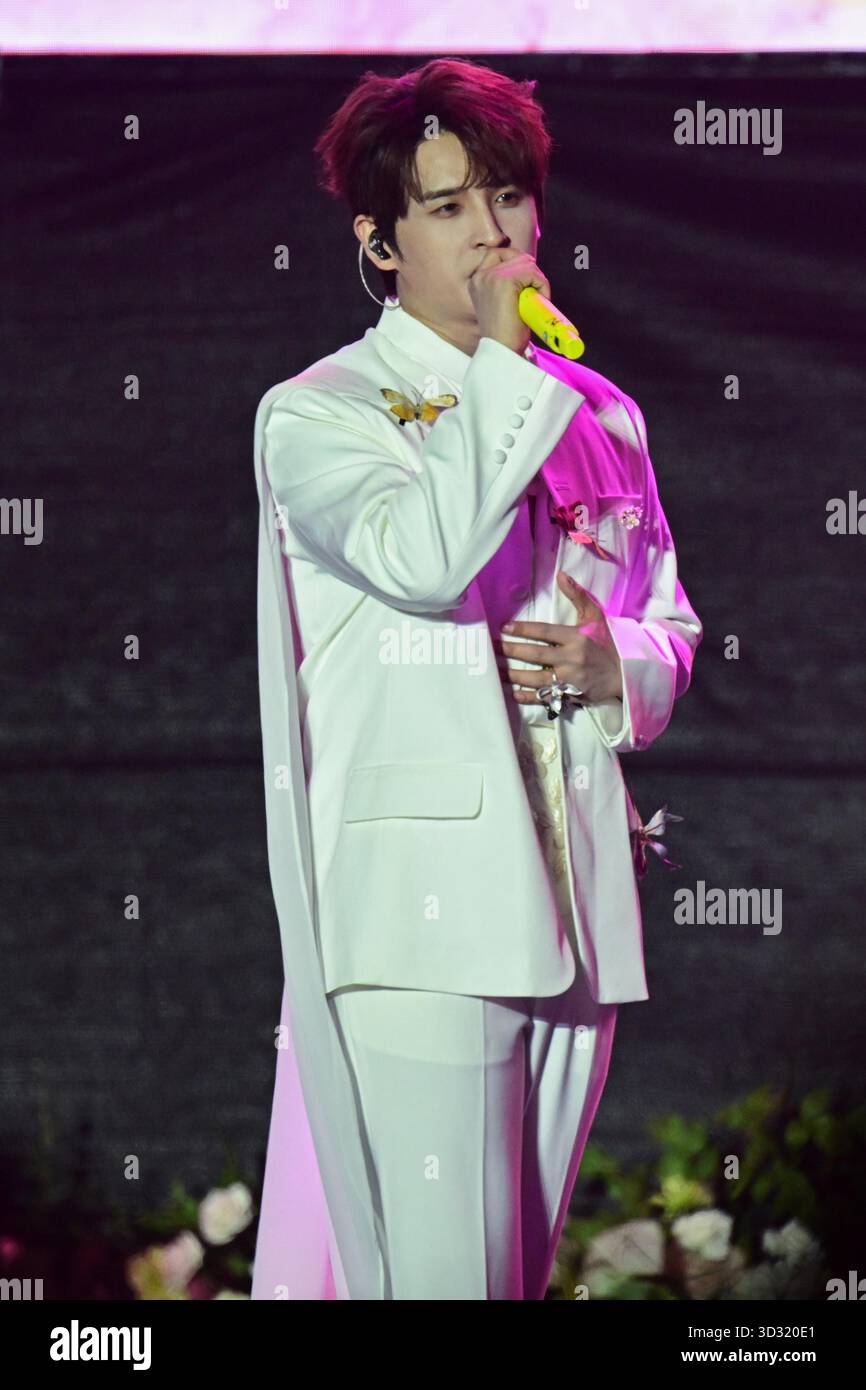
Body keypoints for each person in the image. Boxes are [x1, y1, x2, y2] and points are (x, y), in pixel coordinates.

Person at [250, 56, 702, 1301]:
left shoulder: (599, 414)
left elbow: (666, 614)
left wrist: (622, 661)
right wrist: (504, 369)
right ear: (378, 240)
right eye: (447, 206)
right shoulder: (320, 412)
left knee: (511, 1277)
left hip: (579, 912)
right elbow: (423, 557)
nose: (491, 231)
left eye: (504, 196)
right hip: (421, 925)